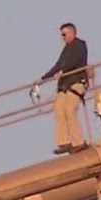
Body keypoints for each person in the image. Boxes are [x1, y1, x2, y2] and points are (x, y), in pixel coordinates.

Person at [36, 22, 90, 155]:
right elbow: (58, 65)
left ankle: (78, 142)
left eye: (64, 34)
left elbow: (71, 62)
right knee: (59, 110)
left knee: (69, 110)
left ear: (72, 33)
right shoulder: (66, 49)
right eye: (62, 35)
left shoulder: (80, 45)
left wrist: (63, 71)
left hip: (76, 82)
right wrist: (43, 79)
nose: (63, 37)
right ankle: (63, 143)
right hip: (64, 85)